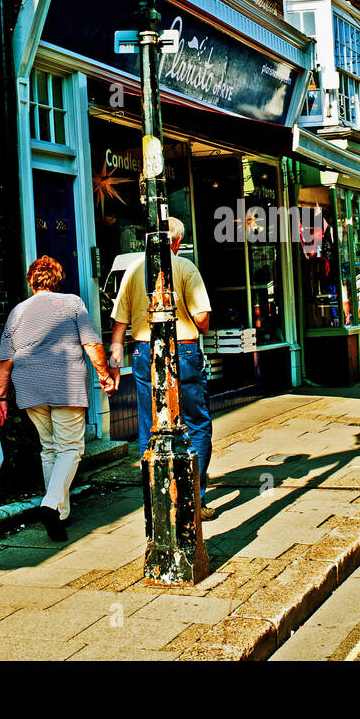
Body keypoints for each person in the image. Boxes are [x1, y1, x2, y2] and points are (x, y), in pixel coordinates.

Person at [0, 256, 117, 542]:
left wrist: (0, 398)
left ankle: (60, 514)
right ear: (58, 279)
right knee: (70, 448)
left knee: (49, 448)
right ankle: (51, 505)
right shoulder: (72, 304)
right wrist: (104, 374)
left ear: (31, 281)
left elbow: (5, 361)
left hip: (30, 387)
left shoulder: (18, 312)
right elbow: (91, 343)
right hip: (65, 385)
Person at [109, 217, 218, 520]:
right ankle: (192, 499)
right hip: (182, 349)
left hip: (143, 351)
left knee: (150, 424)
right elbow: (202, 319)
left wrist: (114, 365)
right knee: (196, 423)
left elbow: (119, 325)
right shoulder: (185, 268)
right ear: (177, 242)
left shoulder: (133, 270)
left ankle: (157, 498)